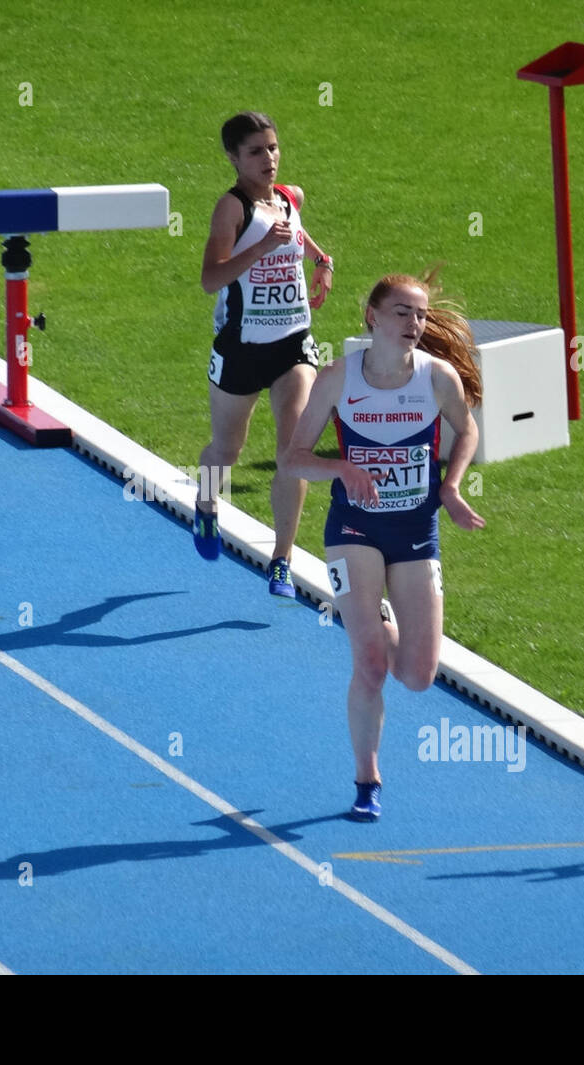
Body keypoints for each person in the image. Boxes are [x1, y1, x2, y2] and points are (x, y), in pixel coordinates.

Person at [283, 268, 485, 821]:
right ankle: (366, 778)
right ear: (372, 317)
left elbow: (466, 429)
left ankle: (383, 614)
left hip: (416, 530)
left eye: (421, 315)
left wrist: (450, 486)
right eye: (402, 312)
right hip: (355, 530)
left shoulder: (437, 378)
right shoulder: (338, 379)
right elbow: (293, 459)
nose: (414, 323)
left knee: (418, 676)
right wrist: (343, 468)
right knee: (371, 664)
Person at [192, 111, 333, 598]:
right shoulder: (230, 209)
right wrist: (260, 250)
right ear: (233, 158)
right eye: (255, 151)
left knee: (293, 453)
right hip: (241, 347)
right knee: (227, 450)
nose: (268, 158)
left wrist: (321, 260)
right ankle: (206, 504)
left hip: (293, 344)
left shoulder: (290, 197)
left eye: (272, 147)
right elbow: (210, 278)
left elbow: (296, 233)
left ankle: (281, 561)